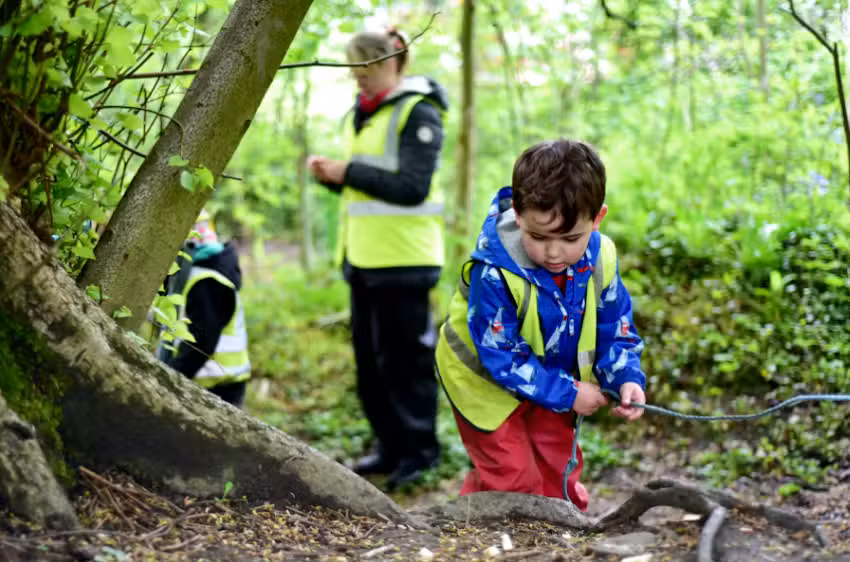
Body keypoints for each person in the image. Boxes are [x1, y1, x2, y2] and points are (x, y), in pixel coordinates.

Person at [435, 139, 646, 511]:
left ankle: (563, 528)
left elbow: (614, 326)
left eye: (570, 238)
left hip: (549, 377)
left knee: (558, 466)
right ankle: (480, 527)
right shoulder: (494, 272)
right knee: (513, 477)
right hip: (484, 384)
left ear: (597, 218)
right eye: (538, 237)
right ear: (518, 215)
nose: (553, 252)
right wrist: (569, 392)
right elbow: (501, 356)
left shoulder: (601, 258)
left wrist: (625, 377)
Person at [307, 28, 448, 490]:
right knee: (371, 365)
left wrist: (348, 171)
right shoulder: (365, 114)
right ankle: (389, 448)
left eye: (365, 69)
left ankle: (419, 454)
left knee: (405, 364)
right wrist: (333, 177)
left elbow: (412, 187)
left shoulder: (419, 111)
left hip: (404, 262)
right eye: (354, 71)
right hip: (364, 260)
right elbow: (369, 188)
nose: (358, 79)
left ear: (391, 63)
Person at [157, 210, 251, 407]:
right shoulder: (199, 270)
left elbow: (201, 342)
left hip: (216, 387)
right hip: (209, 382)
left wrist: (169, 378)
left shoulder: (207, 281)